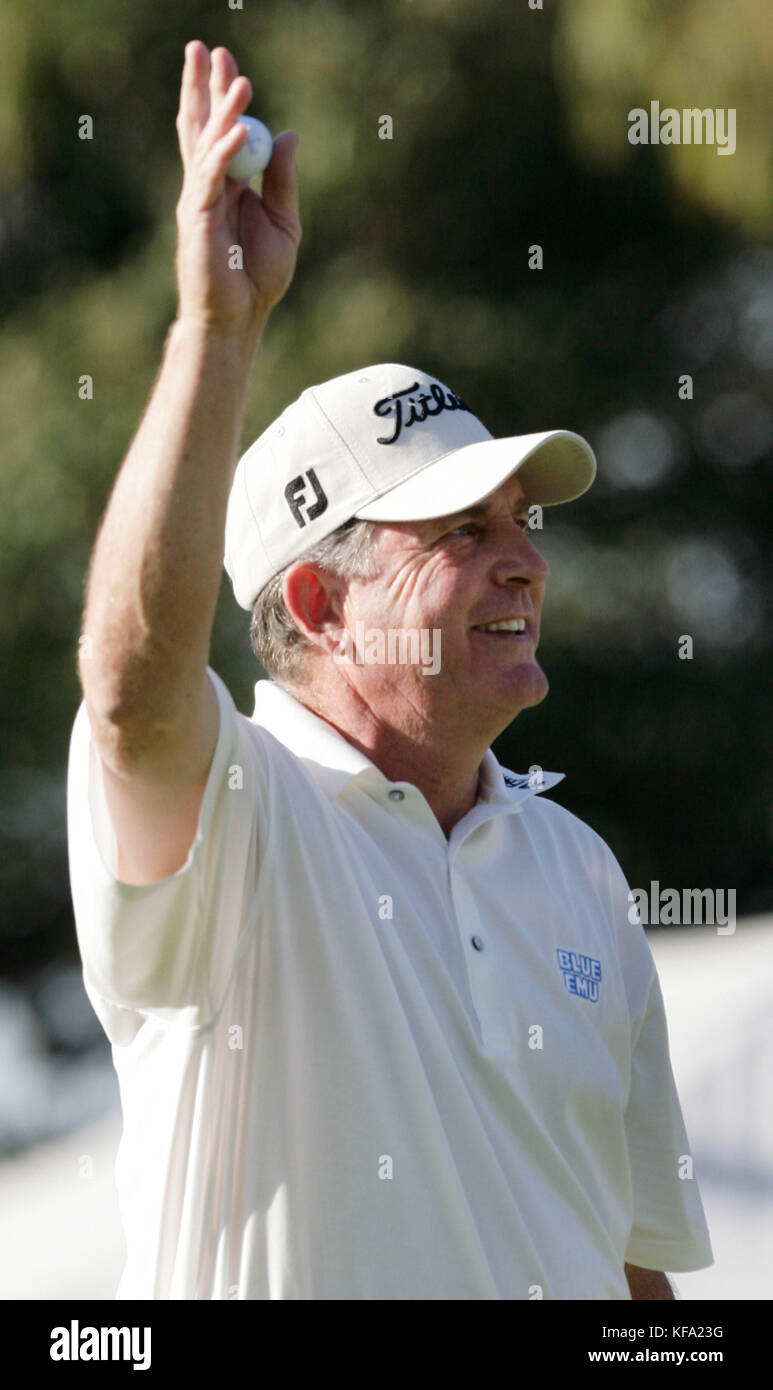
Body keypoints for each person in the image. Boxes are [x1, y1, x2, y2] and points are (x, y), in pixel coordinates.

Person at [66, 40, 713, 1300]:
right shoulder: (235, 819)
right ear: (317, 601)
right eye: (464, 532)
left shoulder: (576, 867)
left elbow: (635, 1275)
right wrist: (214, 329)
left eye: (525, 522)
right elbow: (131, 688)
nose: (524, 562)